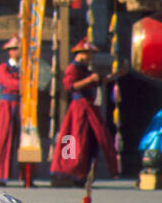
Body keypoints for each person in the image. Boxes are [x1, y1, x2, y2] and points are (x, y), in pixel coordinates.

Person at [50, 38, 120, 186]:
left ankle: (86, 173)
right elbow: (71, 86)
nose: (91, 57)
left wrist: (114, 75)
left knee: (93, 140)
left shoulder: (85, 68)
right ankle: (70, 172)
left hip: (90, 107)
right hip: (79, 108)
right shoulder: (73, 68)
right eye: (89, 53)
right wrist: (89, 80)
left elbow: (98, 81)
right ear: (81, 53)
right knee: (74, 140)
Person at [0, 37, 21, 183]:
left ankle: (26, 176)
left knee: (25, 140)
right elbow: (8, 82)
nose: (16, 51)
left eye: (18, 48)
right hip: (6, 105)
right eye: (13, 49)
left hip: (22, 105)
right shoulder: (3, 67)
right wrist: (25, 84)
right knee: (1, 139)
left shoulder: (27, 66)